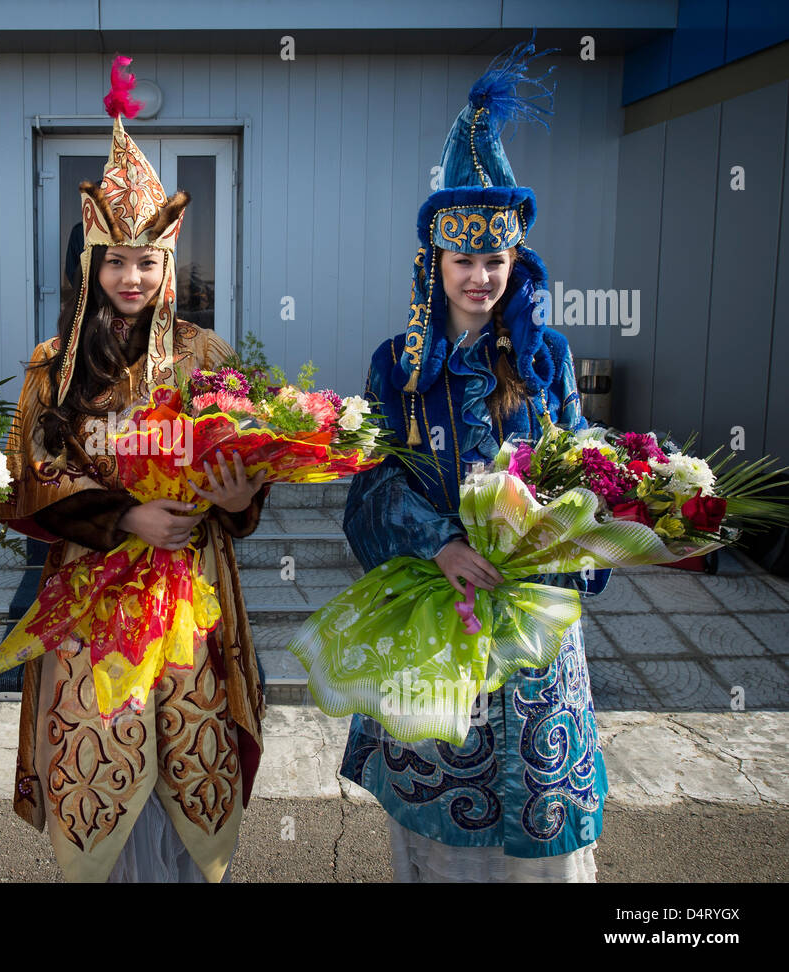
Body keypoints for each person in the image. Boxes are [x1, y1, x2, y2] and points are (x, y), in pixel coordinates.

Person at [339, 43, 610, 882]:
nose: (482, 276)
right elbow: (370, 487)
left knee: (537, 819)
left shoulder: (548, 356)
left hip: (531, 612)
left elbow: (582, 466)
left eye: (497, 260)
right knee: (438, 810)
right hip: (435, 605)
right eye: (466, 260)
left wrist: (578, 537)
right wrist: (440, 544)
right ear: (436, 265)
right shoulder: (397, 363)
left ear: (515, 262)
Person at [0, 55, 267, 882]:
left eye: (146, 262)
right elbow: (25, 473)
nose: (131, 277)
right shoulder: (55, 363)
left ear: (168, 267)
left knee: (186, 760)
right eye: (114, 260)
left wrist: (240, 493)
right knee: (106, 755)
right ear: (90, 265)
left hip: (193, 588)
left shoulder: (207, 356)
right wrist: (122, 517)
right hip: (89, 595)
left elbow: (252, 459)